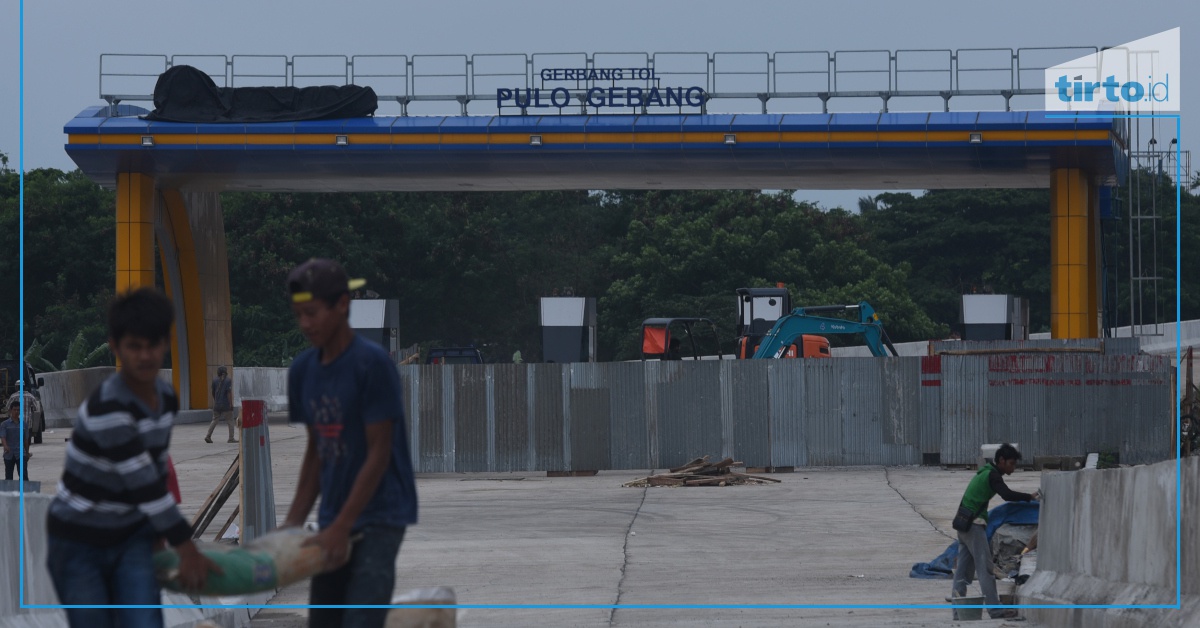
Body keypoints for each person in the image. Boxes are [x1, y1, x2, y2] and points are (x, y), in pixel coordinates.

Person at [45, 288, 221, 628]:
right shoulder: (108, 407)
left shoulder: (166, 399)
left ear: (165, 343)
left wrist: (156, 540)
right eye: (134, 347)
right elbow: (144, 485)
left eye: (152, 345)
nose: (145, 356)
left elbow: (156, 469)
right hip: (78, 540)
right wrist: (186, 547)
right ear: (115, 346)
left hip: (131, 537)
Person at [281, 258, 418, 628]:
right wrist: (293, 523)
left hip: (380, 517)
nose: (305, 324)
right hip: (333, 517)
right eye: (298, 315)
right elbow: (316, 453)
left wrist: (343, 525)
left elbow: (379, 451)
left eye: (312, 313)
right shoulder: (302, 371)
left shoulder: (372, 366)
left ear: (342, 304)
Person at [950, 443, 1038, 620]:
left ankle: (957, 612)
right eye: (1011, 463)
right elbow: (1007, 495)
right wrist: (1029, 497)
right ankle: (995, 610)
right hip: (973, 525)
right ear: (1002, 461)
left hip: (963, 523)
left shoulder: (985, 472)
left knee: (962, 571)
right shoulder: (993, 476)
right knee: (986, 569)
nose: (1013, 467)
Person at [205, 365, 237, 444]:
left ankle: (208, 436)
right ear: (226, 372)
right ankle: (231, 438)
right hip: (226, 404)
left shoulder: (214, 380)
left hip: (217, 404)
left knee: (214, 420)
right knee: (230, 421)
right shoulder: (228, 380)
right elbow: (228, 393)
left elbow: (213, 392)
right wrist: (231, 404)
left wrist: (216, 400)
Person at [2, 401, 29, 480]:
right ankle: (9, 492)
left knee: (23, 476)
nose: (16, 412)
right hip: (8, 454)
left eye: (18, 410)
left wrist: (27, 452)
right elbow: (3, 437)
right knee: (9, 477)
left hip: (21, 453)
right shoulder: (5, 424)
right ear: (10, 410)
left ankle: (25, 492)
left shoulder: (24, 425)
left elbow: (26, 440)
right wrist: (5, 446)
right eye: (14, 410)